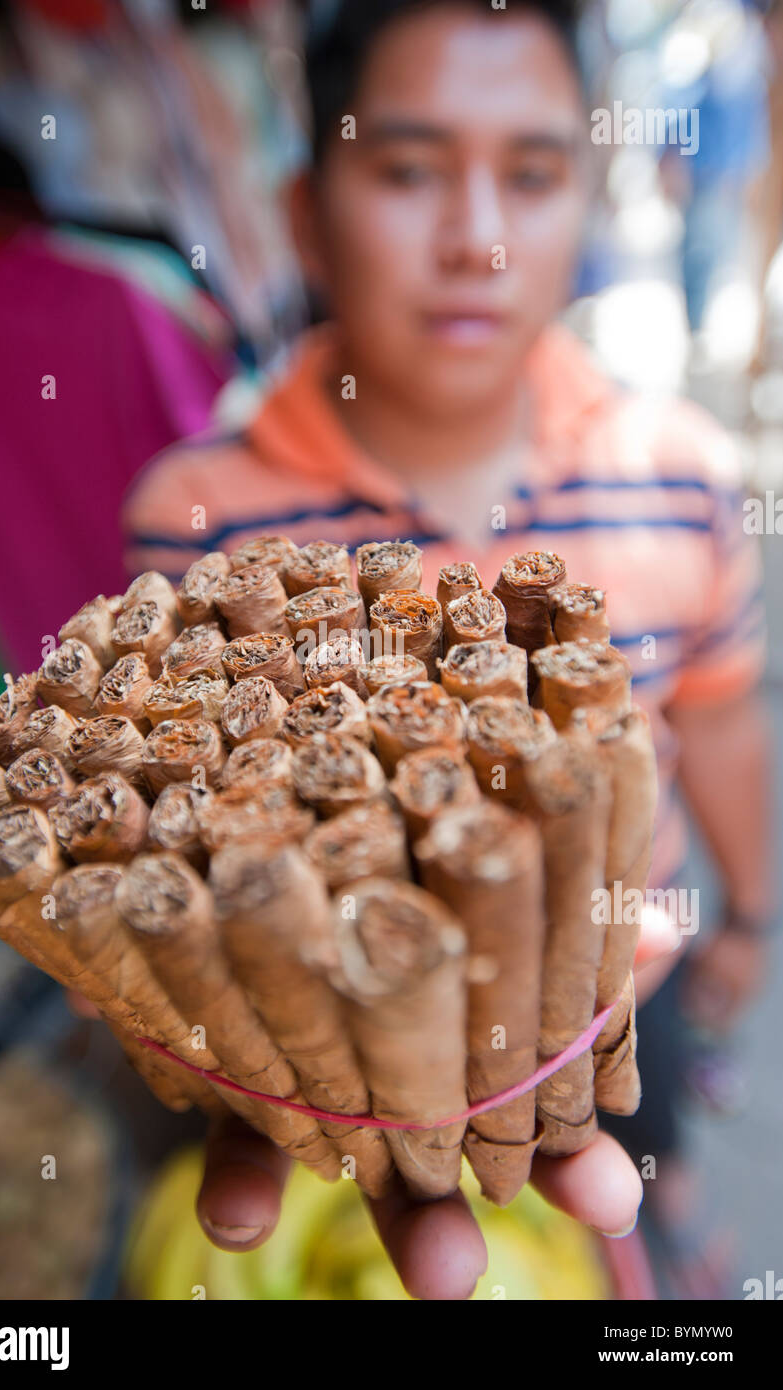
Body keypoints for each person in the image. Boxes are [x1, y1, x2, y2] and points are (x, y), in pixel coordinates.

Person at [123, 0, 775, 1300]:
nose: (474, 238)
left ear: (582, 209)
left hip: (609, 1006)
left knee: (634, 1178)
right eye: (408, 168)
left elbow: (715, 717)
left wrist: (745, 923)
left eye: (529, 176)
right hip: (341, 1051)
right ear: (307, 214)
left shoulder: (684, 481)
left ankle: (670, 1204)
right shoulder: (196, 517)